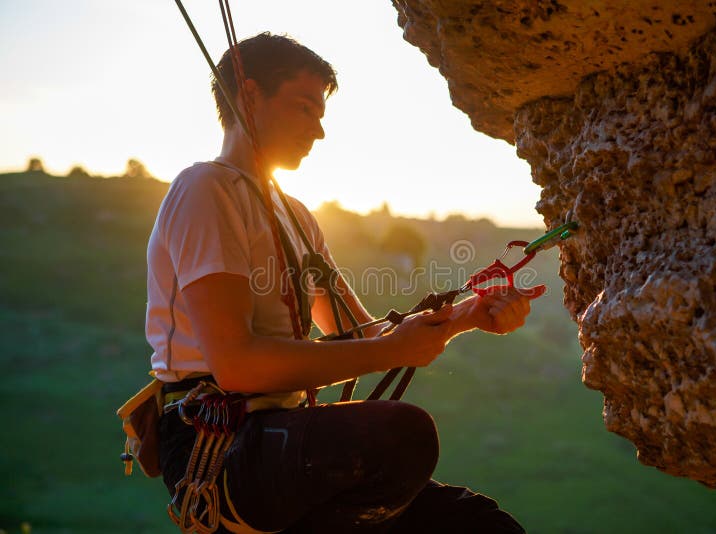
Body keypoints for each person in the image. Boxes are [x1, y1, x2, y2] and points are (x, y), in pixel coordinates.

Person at [148, 32, 533, 533]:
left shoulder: (296, 215)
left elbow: (359, 333)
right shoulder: (206, 189)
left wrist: (465, 316)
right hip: (218, 448)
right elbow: (237, 365)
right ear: (248, 95)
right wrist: (393, 350)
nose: (319, 133)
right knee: (402, 436)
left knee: (481, 525)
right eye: (305, 108)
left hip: (279, 444)